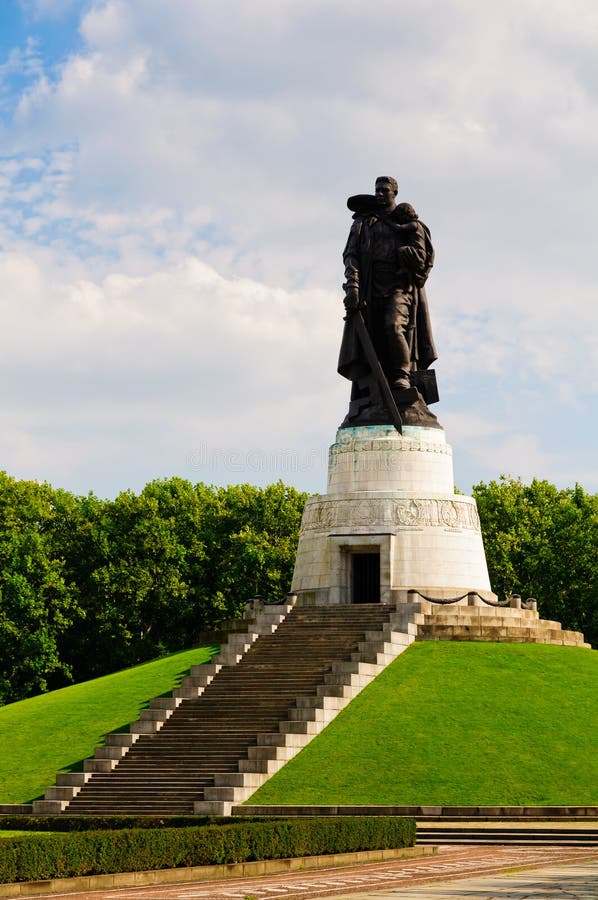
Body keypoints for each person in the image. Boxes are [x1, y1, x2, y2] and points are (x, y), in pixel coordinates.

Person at [338, 176, 438, 425]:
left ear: (395, 192)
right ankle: (375, 395)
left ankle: (402, 377)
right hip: (370, 292)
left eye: (385, 190)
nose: (380, 194)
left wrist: (409, 256)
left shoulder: (408, 223)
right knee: (373, 342)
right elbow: (351, 256)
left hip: (400, 289)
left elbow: (424, 261)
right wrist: (353, 285)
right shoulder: (364, 223)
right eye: (377, 190)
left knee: (394, 327)